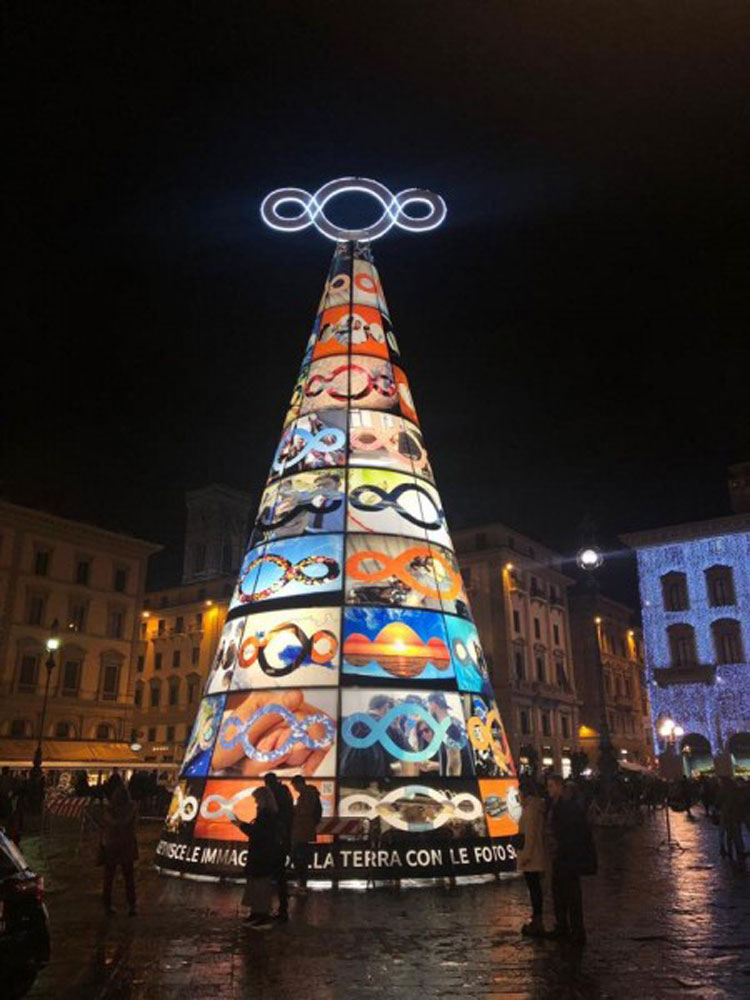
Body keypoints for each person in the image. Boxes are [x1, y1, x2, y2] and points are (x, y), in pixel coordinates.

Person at [546, 773, 597, 946]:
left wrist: (563, 847)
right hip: (560, 855)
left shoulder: (568, 806)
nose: (549, 790)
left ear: (560, 787)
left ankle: (576, 930)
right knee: (559, 892)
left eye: (551, 786)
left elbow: (574, 832)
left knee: (571, 895)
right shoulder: (558, 804)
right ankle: (563, 926)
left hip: (568, 856)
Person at [233, 787, 281, 931]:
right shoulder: (269, 814)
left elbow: (257, 833)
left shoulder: (265, 815)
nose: (256, 803)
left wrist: (241, 825)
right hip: (263, 853)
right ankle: (257, 913)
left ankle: (261, 914)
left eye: (257, 799)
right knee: (258, 883)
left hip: (262, 854)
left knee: (259, 884)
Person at [97, 785, 139, 916]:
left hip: (111, 845)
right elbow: (130, 822)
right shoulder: (131, 808)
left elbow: (105, 823)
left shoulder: (109, 809)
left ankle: (107, 905)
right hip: (126, 845)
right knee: (129, 877)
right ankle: (132, 906)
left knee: (109, 877)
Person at [516, 777, 547, 937]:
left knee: (534, 889)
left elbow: (530, 836)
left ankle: (537, 921)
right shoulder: (534, 808)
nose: (518, 797)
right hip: (535, 854)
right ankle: (537, 919)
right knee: (535, 889)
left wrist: (525, 856)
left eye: (519, 793)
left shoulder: (530, 811)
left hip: (532, 857)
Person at [264, 772, 293, 920]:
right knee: (280, 873)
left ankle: (269, 907)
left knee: (272, 872)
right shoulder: (285, 792)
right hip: (284, 836)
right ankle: (282, 907)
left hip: (276, 837)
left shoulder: (274, 795)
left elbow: (274, 814)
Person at [290, 774, 322, 892]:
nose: (295, 789)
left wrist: (293, 810)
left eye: (295, 786)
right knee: (302, 857)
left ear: (299, 784)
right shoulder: (310, 794)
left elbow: (303, 810)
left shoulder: (307, 795)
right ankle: (302, 883)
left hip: (302, 830)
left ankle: (302, 884)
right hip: (305, 830)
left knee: (300, 858)